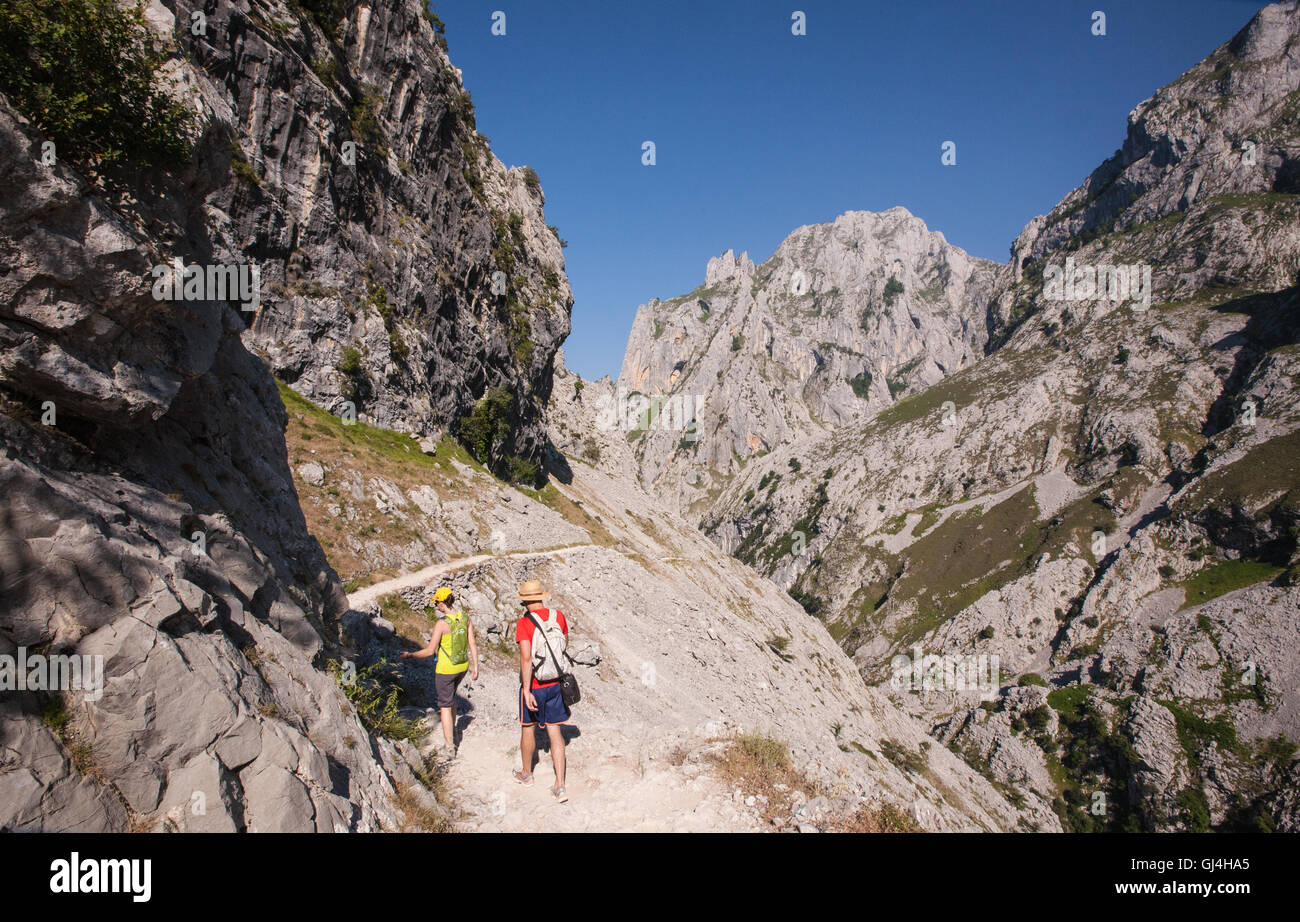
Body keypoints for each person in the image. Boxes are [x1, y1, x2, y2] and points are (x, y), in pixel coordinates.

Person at [400, 586, 477, 760]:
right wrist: (475, 666)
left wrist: (410, 655)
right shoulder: (465, 618)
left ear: (442, 603)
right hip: (462, 666)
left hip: (446, 668)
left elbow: (429, 651)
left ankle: (449, 747)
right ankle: (454, 731)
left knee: (444, 705)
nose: (437, 606)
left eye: (437, 603)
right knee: (452, 698)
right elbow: (472, 642)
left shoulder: (442, 624)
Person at [513, 579, 570, 803]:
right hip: (555, 683)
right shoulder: (558, 617)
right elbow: (564, 644)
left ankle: (527, 774)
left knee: (528, 728)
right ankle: (560, 786)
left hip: (535, 685)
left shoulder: (524, 623)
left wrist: (527, 691)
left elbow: (526, 658)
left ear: (525, 600)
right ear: (541, 596)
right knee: (555, 733)